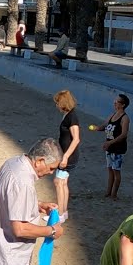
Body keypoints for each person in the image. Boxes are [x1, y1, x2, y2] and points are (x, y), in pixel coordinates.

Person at [53, 90, 81, 220]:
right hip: (67, 154)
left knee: (59, 182)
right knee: (63, 182)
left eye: (58, 102)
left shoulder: (72, 117)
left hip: (68, 156)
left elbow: (76, 139)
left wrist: (65, 157)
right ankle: (63, 212)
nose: (57, 105)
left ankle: (60, 213)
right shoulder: (68, 115)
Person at [103, 94, 131, 200]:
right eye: (115, 101)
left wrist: (110, 143)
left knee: (116, 171)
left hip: (118, 148)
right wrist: (97, 128)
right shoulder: (112, 115)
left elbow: (124, 134)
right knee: (110, 169)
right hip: (109, 148)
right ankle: (108, 191)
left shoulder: (125, 118)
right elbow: (105, 125)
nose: (115, 103)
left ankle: (114, 194)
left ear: (123, 105)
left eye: (117, 102)